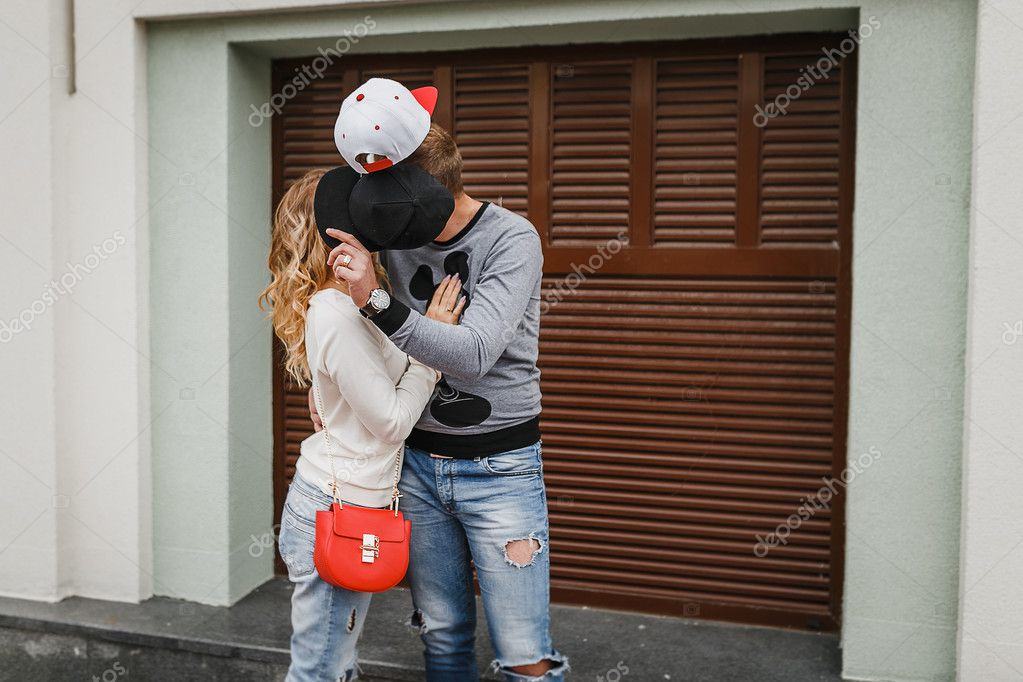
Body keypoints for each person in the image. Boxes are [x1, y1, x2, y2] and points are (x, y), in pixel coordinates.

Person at [322, 123, 569, 681]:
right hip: (415, 467)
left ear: (430, 192)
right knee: (442, 634)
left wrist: (379, 301)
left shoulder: (511, 238)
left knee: (524, 651)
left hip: (499, 468)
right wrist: (331, 392)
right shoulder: (390, 231)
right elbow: (337, 323)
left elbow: (475, 352)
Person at [260, 167, 465, 682]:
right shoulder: (335, 314)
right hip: (337, 509)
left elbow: (364, 385)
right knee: (321, 669)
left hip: (349, 503)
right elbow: (392, 422)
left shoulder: (353, 304)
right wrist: (433, 349)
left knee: (337, 662)